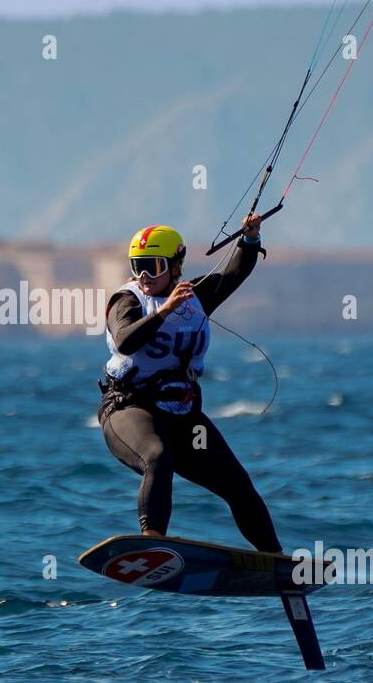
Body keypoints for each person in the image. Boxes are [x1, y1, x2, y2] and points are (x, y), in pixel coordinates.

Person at [97, 214, 282, 553]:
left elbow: (233, 274)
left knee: (238, 485)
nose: (143, 276)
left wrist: (251, 239)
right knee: (157, 455)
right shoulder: (127, 301)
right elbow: (125, 341)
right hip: (128, 408)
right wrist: (164, 310)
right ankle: (152, 539)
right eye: (137, 266)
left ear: (175, 266)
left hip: (181, 416)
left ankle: (275, 562)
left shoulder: (192, 297)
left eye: (152, 266)